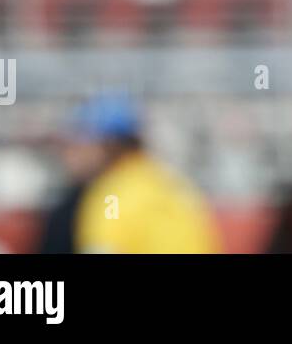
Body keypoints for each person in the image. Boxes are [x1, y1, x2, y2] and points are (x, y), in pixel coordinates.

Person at [71, 94, 221, 253]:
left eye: (81, 144)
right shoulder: (173, 183)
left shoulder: (112, 195)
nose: (74, 154)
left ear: (109, 145)